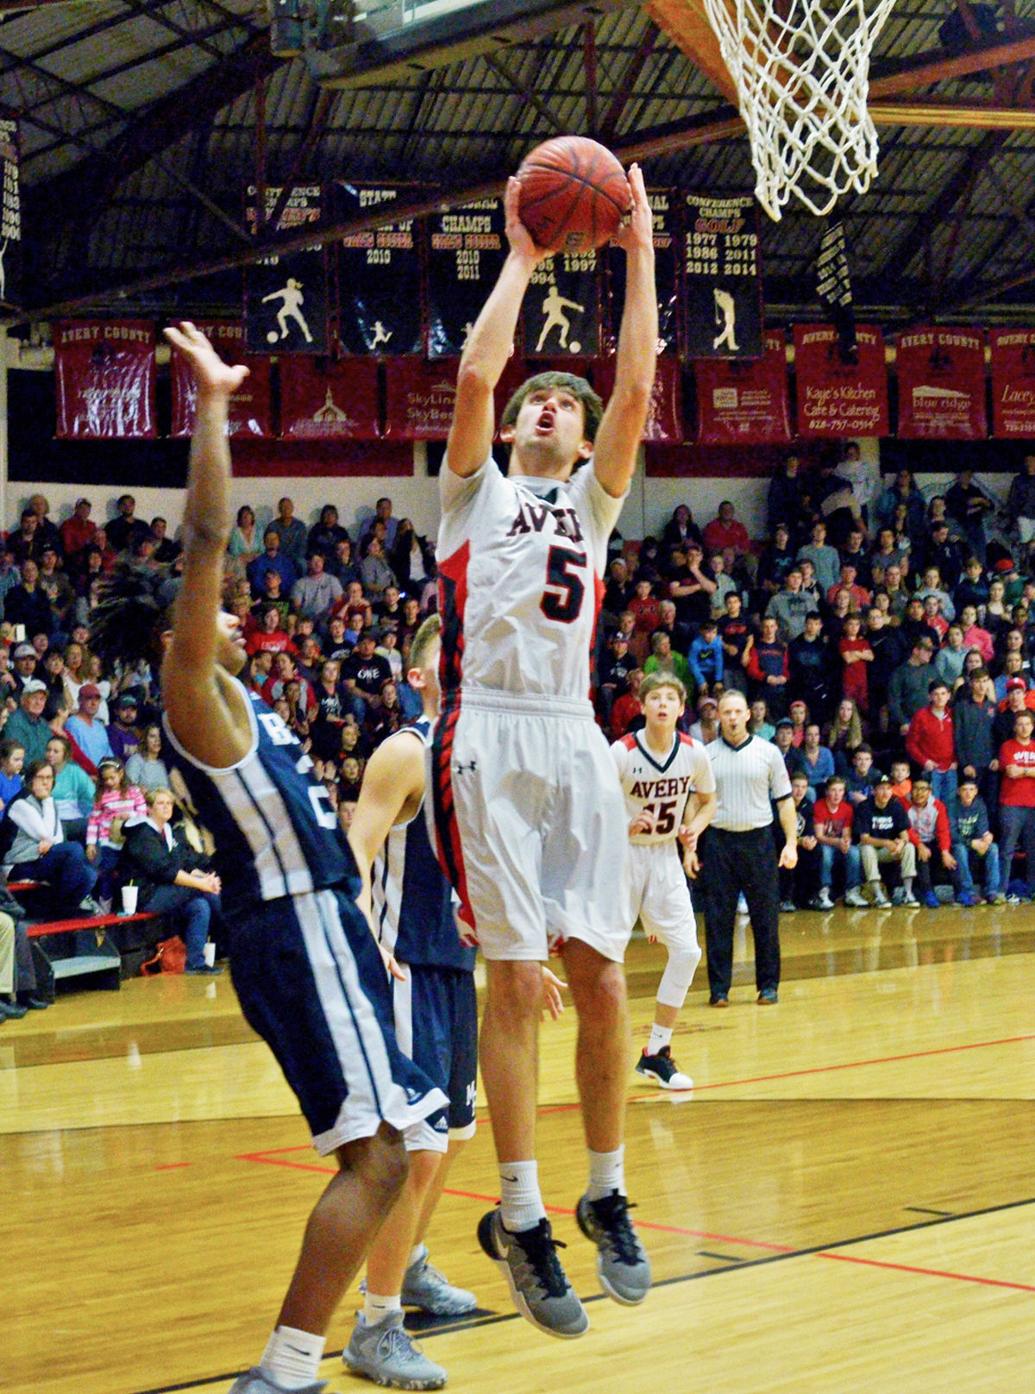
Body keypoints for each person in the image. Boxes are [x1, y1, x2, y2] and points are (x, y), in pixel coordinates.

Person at [117, 324, 449, 1394]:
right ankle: (290, 1364)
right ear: (174, 628)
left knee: (401, 1139)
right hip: (293, 922)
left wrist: (368, 936)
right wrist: (213, 403)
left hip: (324, 921)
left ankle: (318, 1347)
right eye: (202, 605)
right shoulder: (192, 688)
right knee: (381, 1154)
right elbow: (209, 529)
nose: (223, 602)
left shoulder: (234, 693)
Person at [431, 166, 656, 1337]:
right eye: (541, 402)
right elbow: (477, 370)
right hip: (486, 724)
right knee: (517, 977)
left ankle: (606, 1187)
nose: (552, 407)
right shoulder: (470, 495)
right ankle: (518, 1213)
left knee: (605, 972)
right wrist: (521, 252)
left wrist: (639, 247)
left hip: (573, 733)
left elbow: (636, 381)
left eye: (563, 406)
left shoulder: (595, 502)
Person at [344, 615, 481, 1389]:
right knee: (416, 1151)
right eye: (452, 663)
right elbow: (355, 855)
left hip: (458, 968)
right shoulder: (406, 751)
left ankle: (411, 1264)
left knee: (456, 1139)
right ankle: (376, 1325)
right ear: (421, 676)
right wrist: (370, 942)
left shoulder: (476, 756)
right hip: (407, 971)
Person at [611, 673, 715, 1091]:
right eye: (655, 697)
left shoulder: (694, 753)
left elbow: (708, 801)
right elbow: (591, 804)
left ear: (681, 706)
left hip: (664, 857)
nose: (662, 704)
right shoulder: (621, 751)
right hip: (619, 858)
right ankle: (608, 1051)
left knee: (688, 951)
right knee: (607, 960)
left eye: (670, 698)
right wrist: (623, 822)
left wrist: (695, 830)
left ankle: (656, 1051)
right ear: (642, 705)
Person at [700, 689, 797, 1007]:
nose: (731, 717)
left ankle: (768, 986)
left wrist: (791, 843)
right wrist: (690, 847)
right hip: (719, 843)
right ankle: (719, 990)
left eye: (736, 711)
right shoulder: (706, 755)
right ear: (719, 716)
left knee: (765, 917)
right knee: (718, 919)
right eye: (725, 712)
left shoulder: (769, 753)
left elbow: (785, 802)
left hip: (759, 842)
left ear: (747, 715)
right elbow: (694, 803)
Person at [118, 787, 223, 974]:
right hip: (144, 896)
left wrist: (206, 877)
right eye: (161, 803)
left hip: (167, 891)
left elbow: (188, 862)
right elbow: (164, 871)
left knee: (200, 906)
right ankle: (238, 944)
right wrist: (203, 884)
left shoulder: (170, 832)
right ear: (149, 808)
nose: (166, 807)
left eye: (169, 803)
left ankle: (196, 963)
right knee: (205, 893)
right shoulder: (142, 834)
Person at [2, 758, 100, 915]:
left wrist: (50, 841)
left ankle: (62, 911)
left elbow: (58, 838)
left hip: (41, 858)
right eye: (40, 778)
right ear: (30, 780)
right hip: (18, 865)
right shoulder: (21, 803)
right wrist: (48, 801)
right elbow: (46, 834)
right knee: (73, 849)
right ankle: (60, 910)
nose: (45, 782)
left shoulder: (49, 801)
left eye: (49, 778)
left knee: (90, 875)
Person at [855, 774, 917, 907]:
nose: (885, 792)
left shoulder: (896, 806)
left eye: (888, 788)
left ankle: (908, 893)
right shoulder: (864, 807)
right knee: (866, 849)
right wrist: (886, 843)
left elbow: (905, 834)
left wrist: (901, 843)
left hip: (888, 851)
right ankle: (878, 895)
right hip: (872, 849)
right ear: (874, 791)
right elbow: (864, 838)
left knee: (909, 847)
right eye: (882, 788)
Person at [996, 707, 1035, 902]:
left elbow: (1018, 771)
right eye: (1020, 724)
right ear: (1014, 727)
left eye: (1027, 724)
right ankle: (1001, 890)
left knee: (1033, 850)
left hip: (1033, 805)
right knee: (1007, 849)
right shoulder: (1007, 747)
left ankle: (1033, 889)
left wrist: (1023, 771)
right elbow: (1010, 771)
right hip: (1011, 804)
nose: (1024, 727)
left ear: (1032, 726)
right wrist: (1031, 771)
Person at [811, 775, 865, 909]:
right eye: (833, 790)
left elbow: (846, 832)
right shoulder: (819, 806)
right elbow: (819, 836)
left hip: (838, 843)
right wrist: (838, 842)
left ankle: (852, 891)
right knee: (826, 853)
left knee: (854, 852)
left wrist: (846, 842)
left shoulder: (847, 808)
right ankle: (824, 891)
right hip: (825, 843)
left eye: (840, 790)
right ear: (827, 791)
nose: (837, 794)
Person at [905, 779, 958, 909]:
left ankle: (961, 891)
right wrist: (919, 844)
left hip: (932, 840)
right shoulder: (903, 803)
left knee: (951, 854)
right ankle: (928, 893)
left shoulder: (938, 805)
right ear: (911, 791)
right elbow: (905, 828)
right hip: (913, 842)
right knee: (922, 856)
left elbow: (943, 830)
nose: (919, 793)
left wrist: (945, 851)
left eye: (923, 789)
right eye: (916, 789)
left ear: (929, 792)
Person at [950, 776, 1001, 906]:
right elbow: (952, 834)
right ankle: (969, 893)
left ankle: (992, 892)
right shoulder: (952, 806)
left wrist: (986, 838)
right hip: (959, 844)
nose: (968, 793)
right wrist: (971, 843)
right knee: (959, 849)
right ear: (958, 791)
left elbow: (983, 828)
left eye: (971, 789)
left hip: (976, 843)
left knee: (993, 848)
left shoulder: (980, 805)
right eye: (964, 790)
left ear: (976, 791)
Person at [778, 772, 819, 912]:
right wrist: (798, 841)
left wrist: (810, 840)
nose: (799, 790)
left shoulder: (808, 804)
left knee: (815, 852)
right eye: (796, 786)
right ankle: (785, 899)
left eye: (803, 787)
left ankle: (810, 897)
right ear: (789, 787)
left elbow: (810, 829)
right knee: (787, 855)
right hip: (781, 844)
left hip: (800, 844)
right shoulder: (779, 804)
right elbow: (776, 833)